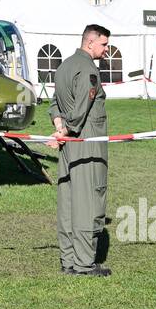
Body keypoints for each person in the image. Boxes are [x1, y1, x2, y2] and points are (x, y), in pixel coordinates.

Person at [49, 24, 112, 276]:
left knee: (68, 202)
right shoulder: (88, 69)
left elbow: (55, 103)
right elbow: (80, 110)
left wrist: (58, 125)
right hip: (87, 144)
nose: (106, 50)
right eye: (104, 44)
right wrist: (63, 132)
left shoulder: (64, 66)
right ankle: (84, 263)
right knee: (88, 203)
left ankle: (68, 260)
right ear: (90, 43)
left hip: (69, 147)